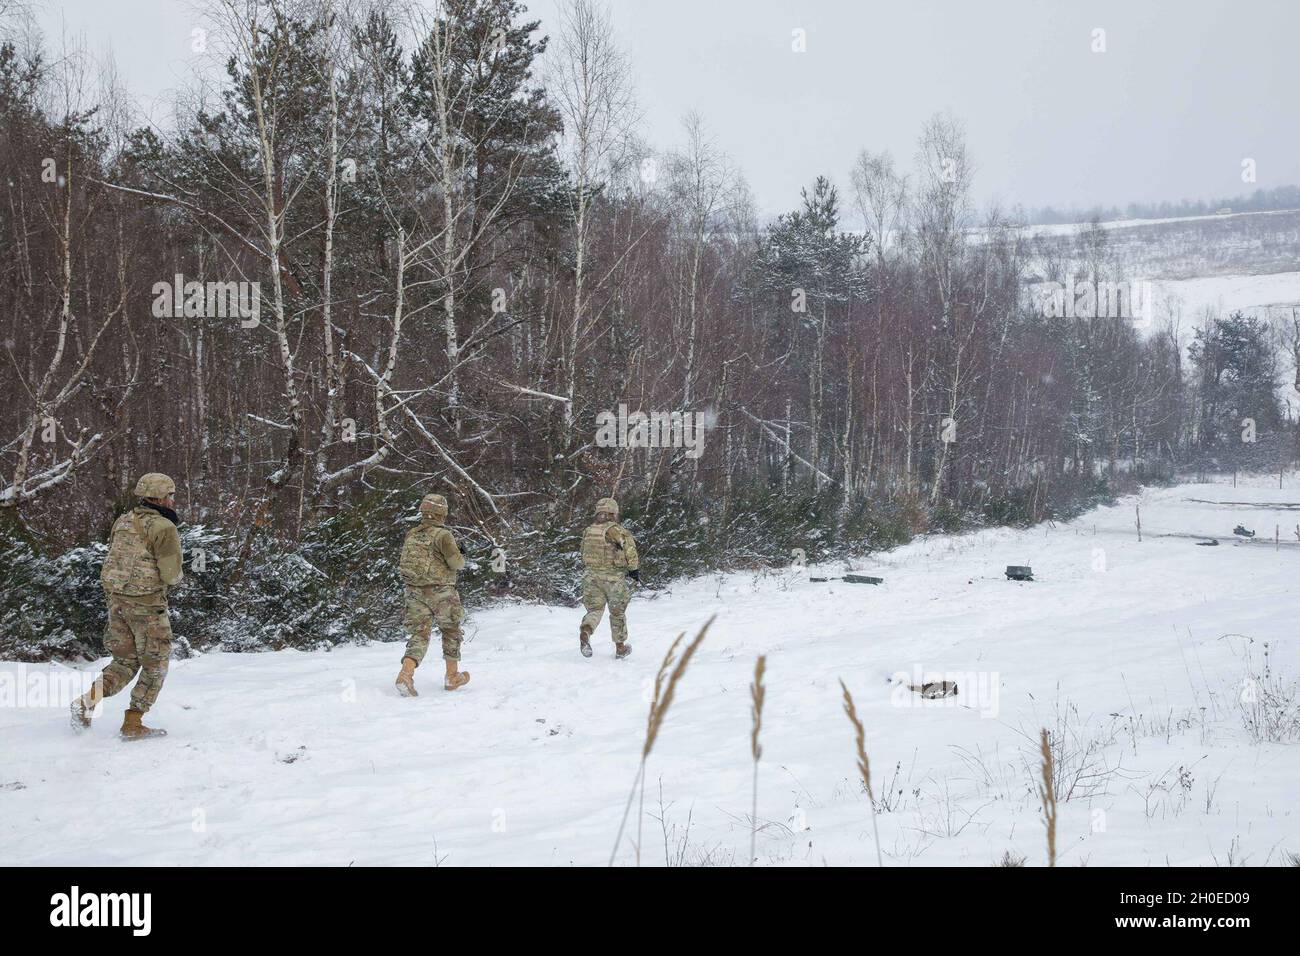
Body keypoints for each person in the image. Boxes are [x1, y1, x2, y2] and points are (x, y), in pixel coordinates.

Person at [72, 472, 184, 739]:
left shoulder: (123, 521)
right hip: (147, 606)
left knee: (125, 661)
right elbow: (171, 574)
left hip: (117, 602)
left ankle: (87, 701)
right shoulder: (164, 527)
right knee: (155, 664)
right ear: (161, 497)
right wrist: (180, 576)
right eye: (170, 495)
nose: (172, 500)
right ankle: (133, 723)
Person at [395, 493, 469, 695]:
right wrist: (461, 553)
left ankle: (405, 675)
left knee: (419, 634)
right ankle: (452, 676)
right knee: (451, 631)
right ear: (442, 513)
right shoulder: (443, 535)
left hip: (414, 592)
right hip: (441, 592)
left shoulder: (412, 534)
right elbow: (456, 563)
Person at [577, 497, 639, 659]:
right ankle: (620, 648)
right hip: (613, 579)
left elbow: (582, 552)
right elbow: (630, 550)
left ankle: (585, 632)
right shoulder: (615, 530)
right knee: (617, 612)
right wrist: (633, 570)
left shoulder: (589, 531)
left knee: (594, 610)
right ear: (612, 512)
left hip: (591, 577)